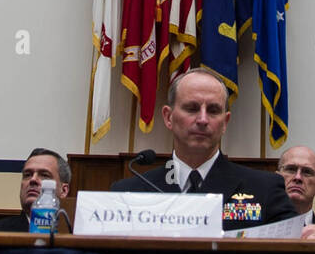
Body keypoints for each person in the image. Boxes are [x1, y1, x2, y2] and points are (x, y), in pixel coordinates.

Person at [110, 68, 294, 231]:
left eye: (213, 110)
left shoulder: (264, 188)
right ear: (168, 117)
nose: (203, 119)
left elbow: (297, 247)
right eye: (192, 108)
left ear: (225, 123)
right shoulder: (130, 194)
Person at [0, 149, 71, 232]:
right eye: (27, 175)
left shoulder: (74, 233)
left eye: (44, 175)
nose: (33, 180)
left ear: (64, 190)